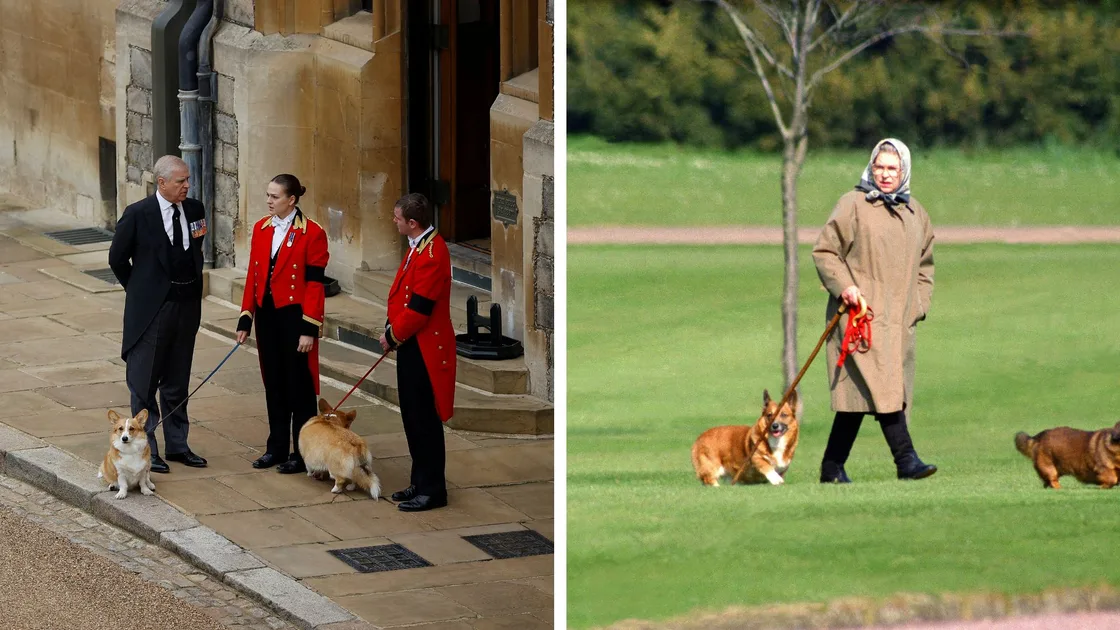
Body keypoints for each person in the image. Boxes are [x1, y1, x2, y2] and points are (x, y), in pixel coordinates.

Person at [812, 138, 938, 483]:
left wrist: (919, 306)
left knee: (860, 397)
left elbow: (925, 265)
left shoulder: (916, 214)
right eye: (879, 167)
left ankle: (832, 468)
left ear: (904, 171)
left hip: (899, 323)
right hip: (859, 320)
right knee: (885, 388)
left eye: (892, 168)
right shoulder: (852, 204)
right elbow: (825, 252)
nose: (885, 174)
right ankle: (906, 461)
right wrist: (845, 287)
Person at [108, 155, 208, 473]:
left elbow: (196, 249)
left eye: (188, 179)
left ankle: (178, 445)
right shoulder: (137, 214)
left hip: (186, 307)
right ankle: (146, 448)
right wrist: (141, 291)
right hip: (152, 312)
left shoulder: (195, 209)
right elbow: (117, 259)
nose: (187, 185)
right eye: (181, 181)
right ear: (161, 183)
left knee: (177, 381)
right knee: (145, 382)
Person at [235, 174, 329, 474]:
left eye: (274, 196)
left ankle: (302, 454)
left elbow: (315, 284)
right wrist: (246, 316)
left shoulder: (313, 233)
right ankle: (275, 448)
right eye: (268, 195)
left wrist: (309, 329)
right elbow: (254, 275)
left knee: (299, 388)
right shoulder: (262, 228)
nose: (269, 201)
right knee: (273, 383)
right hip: (268, 317)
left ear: (292, 199)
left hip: (295, 318)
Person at [378, 193, 456, 512]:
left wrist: (391, 335)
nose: (393, 222)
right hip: (412, 343)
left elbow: (420, 309)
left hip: (425, 346)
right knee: (412, 416)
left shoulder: (432, 253)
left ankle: (433, 490)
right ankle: (419, 481)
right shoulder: (419, 246)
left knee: (424, 419)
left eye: (397, 218)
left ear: (412, 223)